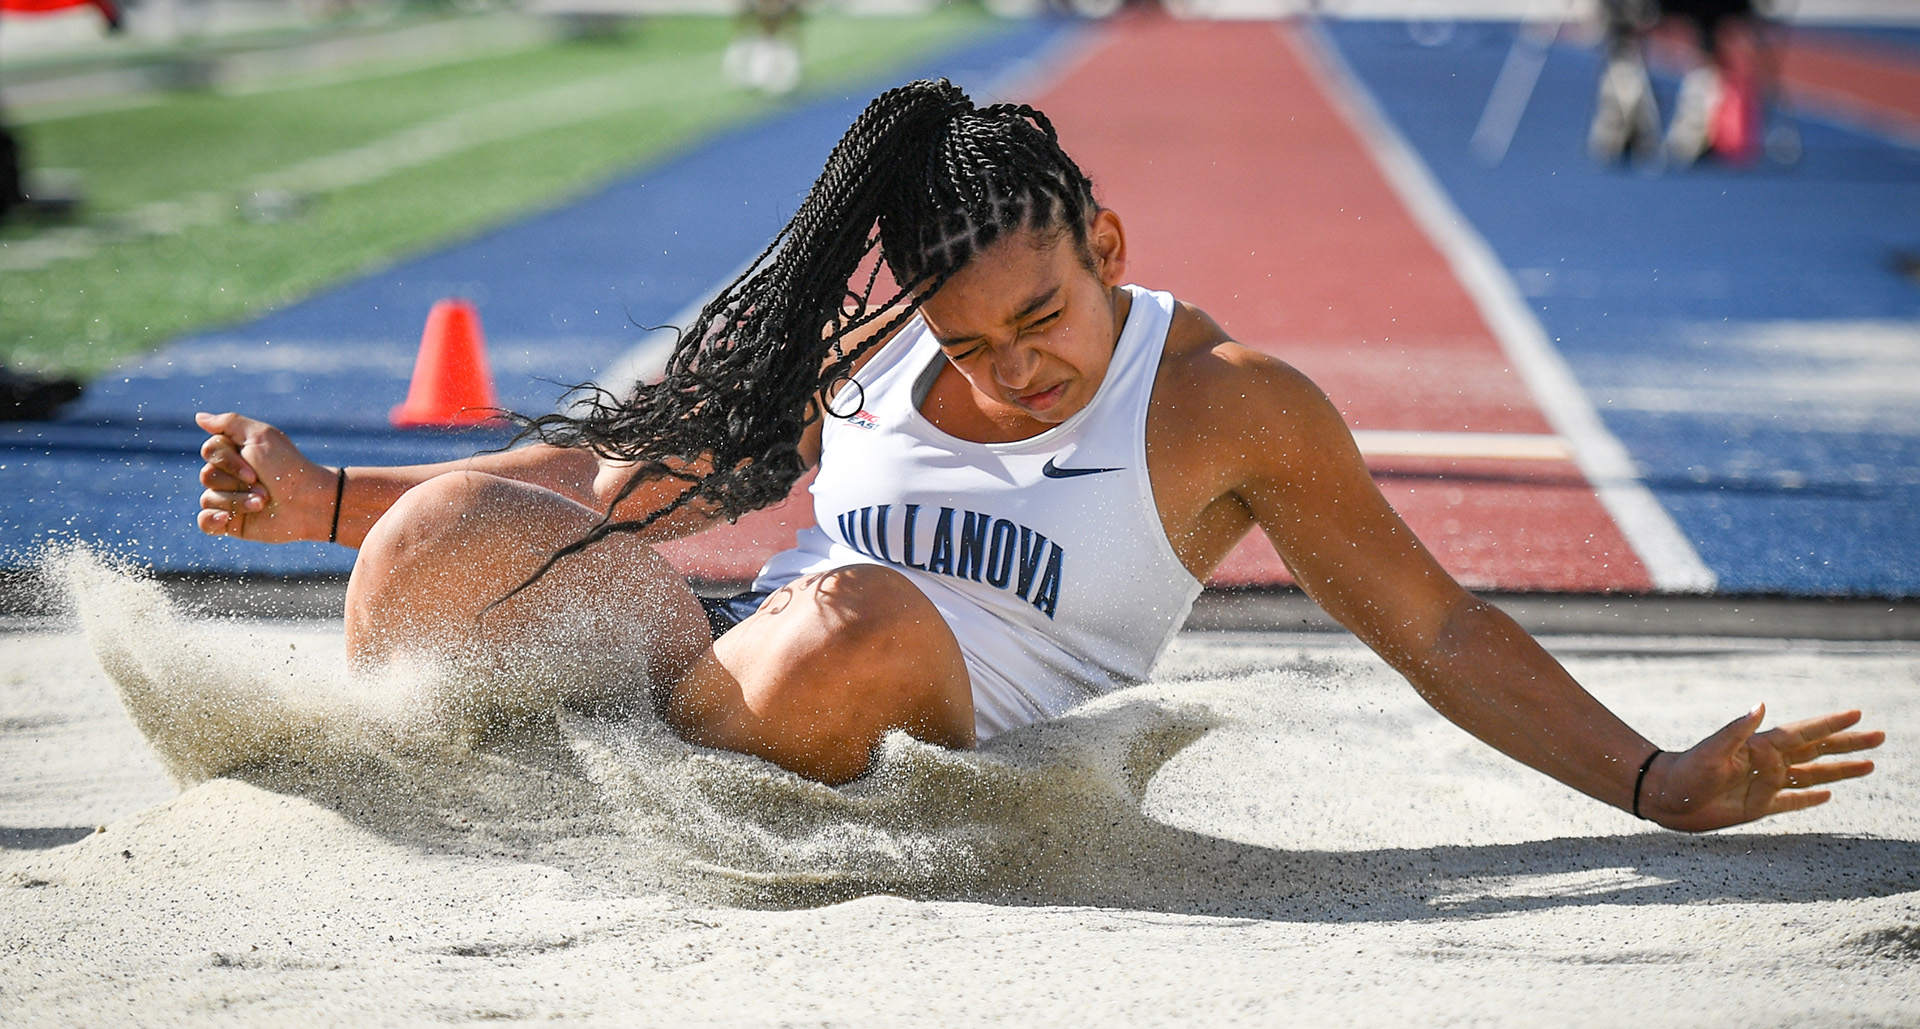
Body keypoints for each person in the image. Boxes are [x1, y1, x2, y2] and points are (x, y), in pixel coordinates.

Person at [195, 79, 1879, 825]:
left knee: (858, 631)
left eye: (1040, 321)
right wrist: (333, 503)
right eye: (966, 337)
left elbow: (1437, 627)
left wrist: (1655, 782)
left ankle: (614, 759)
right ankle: (571, 753)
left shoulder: (1227, 406)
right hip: (730, 669)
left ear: (1110, 246)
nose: (1004, 372)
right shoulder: (887, 336)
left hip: (910, 719)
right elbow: (643, 486)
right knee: (427, 559)